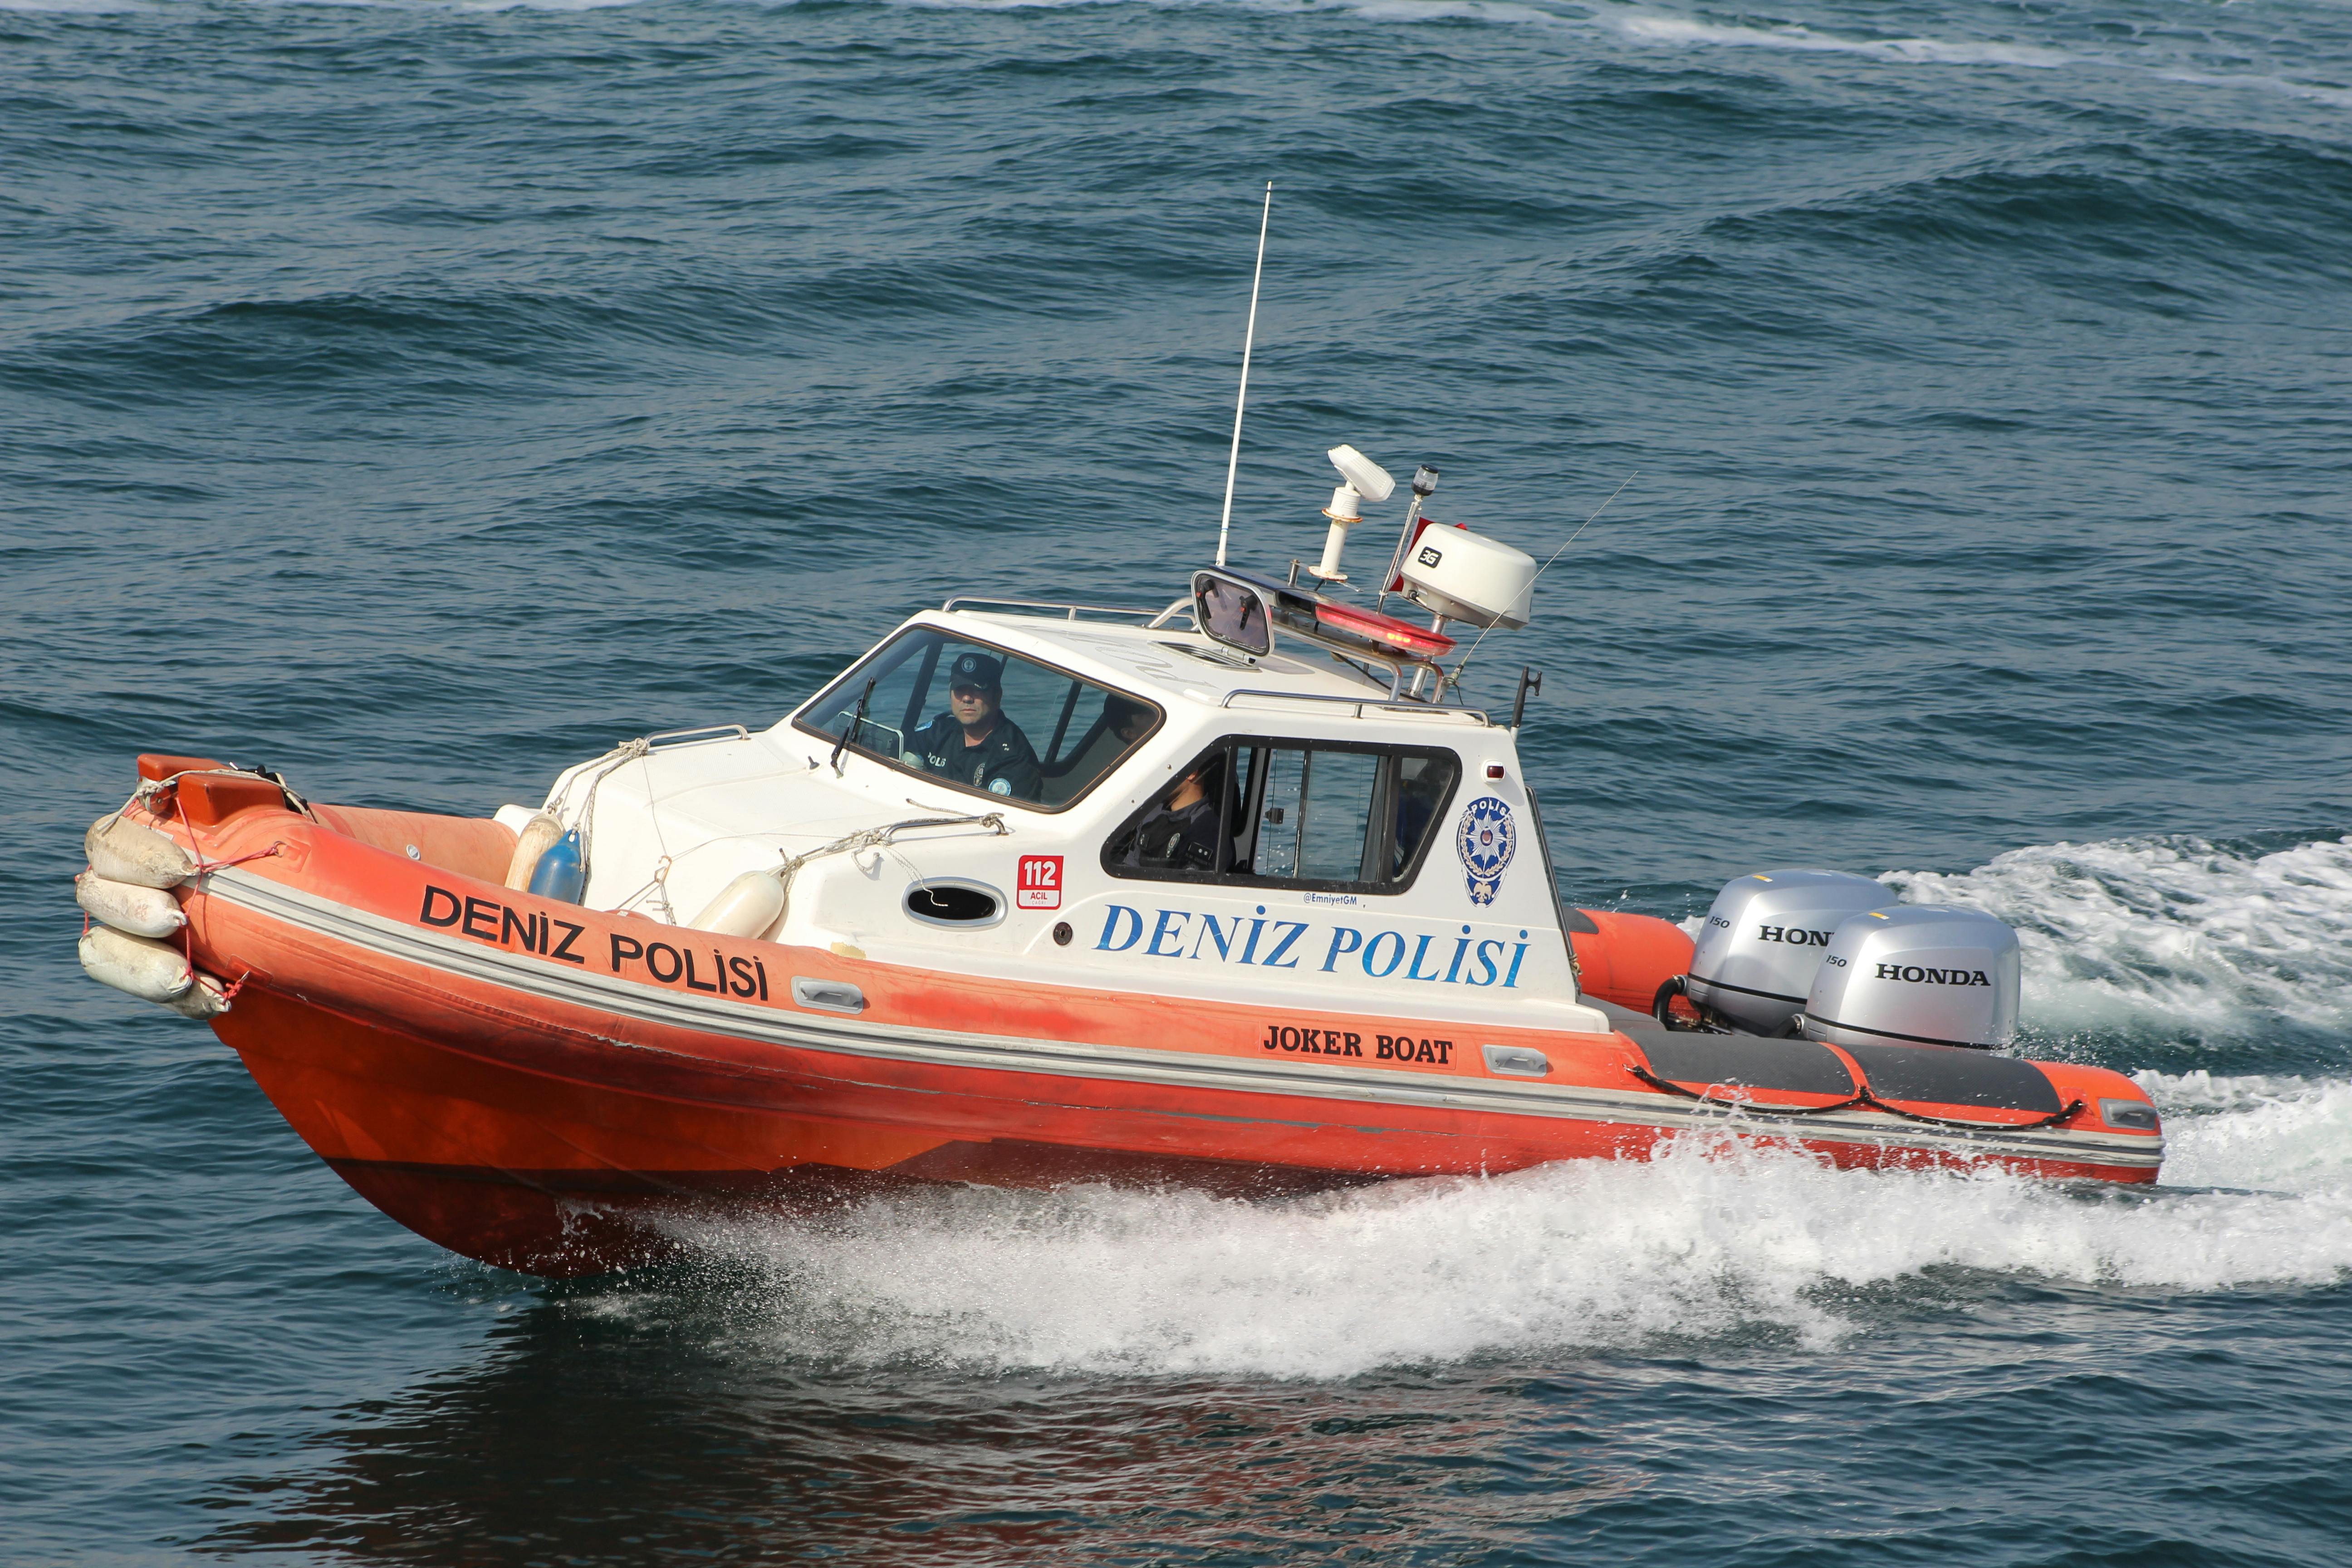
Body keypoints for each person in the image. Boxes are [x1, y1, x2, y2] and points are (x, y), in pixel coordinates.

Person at [910, 652, 1042, 800]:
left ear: (997, 696)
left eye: (977, 689)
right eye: (960, 690)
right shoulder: (935, 734)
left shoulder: (1014, 757)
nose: (967, 698)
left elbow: (999, 819)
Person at [1113, 755, 1222, 872]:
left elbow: (1183, 885)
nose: (1157, 774)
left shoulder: (1204, 829)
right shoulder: (1152, 814)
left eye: (1167, 766)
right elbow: (1129, 867)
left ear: (1192, 773)